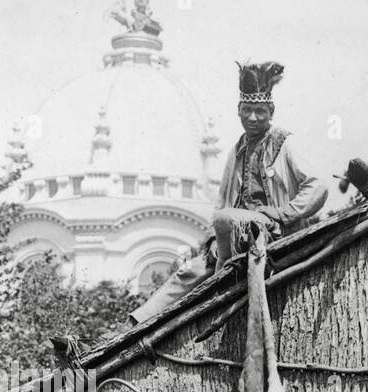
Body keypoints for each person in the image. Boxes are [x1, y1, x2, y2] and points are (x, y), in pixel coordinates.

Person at [131, 61, 327, 323]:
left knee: (223, 255)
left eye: (259, 111)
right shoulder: (239, 150)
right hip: (236, 235)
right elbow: (223, 201)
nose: (253, 118)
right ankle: (133, 324)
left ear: (271, 110)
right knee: (190, 271)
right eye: (247, 110)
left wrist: (284, 213)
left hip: (274, 234)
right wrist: (213, 240)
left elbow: (319, 185)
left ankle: (217, 308)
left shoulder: (284, 142)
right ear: (238, 111)